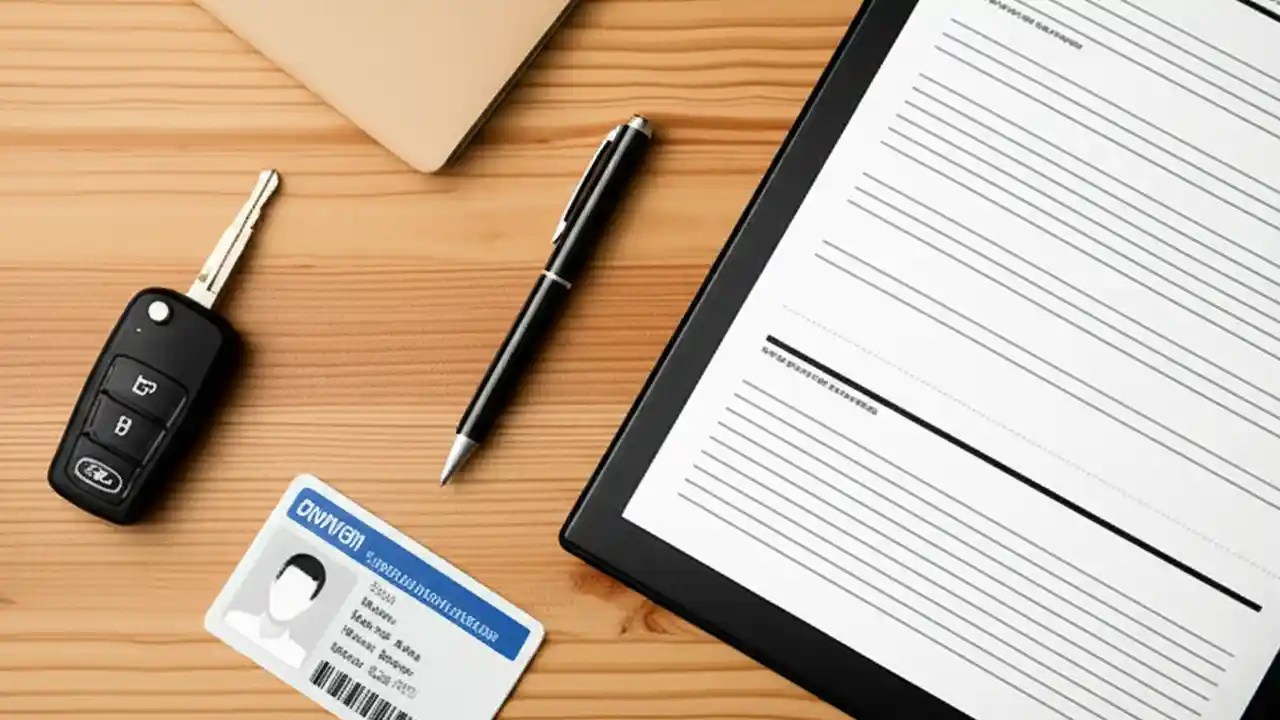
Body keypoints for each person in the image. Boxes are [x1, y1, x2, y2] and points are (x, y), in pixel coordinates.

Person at [225, 553, 327, 667]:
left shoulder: (296, 660)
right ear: (273, 583)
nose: (286, 598)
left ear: (307, 605)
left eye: (298, 594)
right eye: (286, 585)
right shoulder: (234, 621)